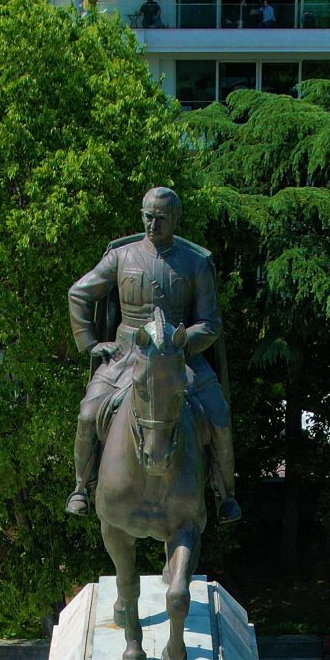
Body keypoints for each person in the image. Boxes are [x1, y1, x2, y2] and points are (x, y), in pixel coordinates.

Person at [66, 187, 242, 524]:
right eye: (148, 216)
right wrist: (90, 343)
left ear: (175, 219)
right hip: (127, 356)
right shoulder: (121, 256)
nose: (153, 224)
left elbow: (210, 323)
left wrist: (179, 343)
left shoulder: (195, 263)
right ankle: (81, 487)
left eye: (161, 218)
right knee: (88, 414)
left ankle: (224, 494)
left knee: (219, 419)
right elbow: (78, 293)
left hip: (180, 357)